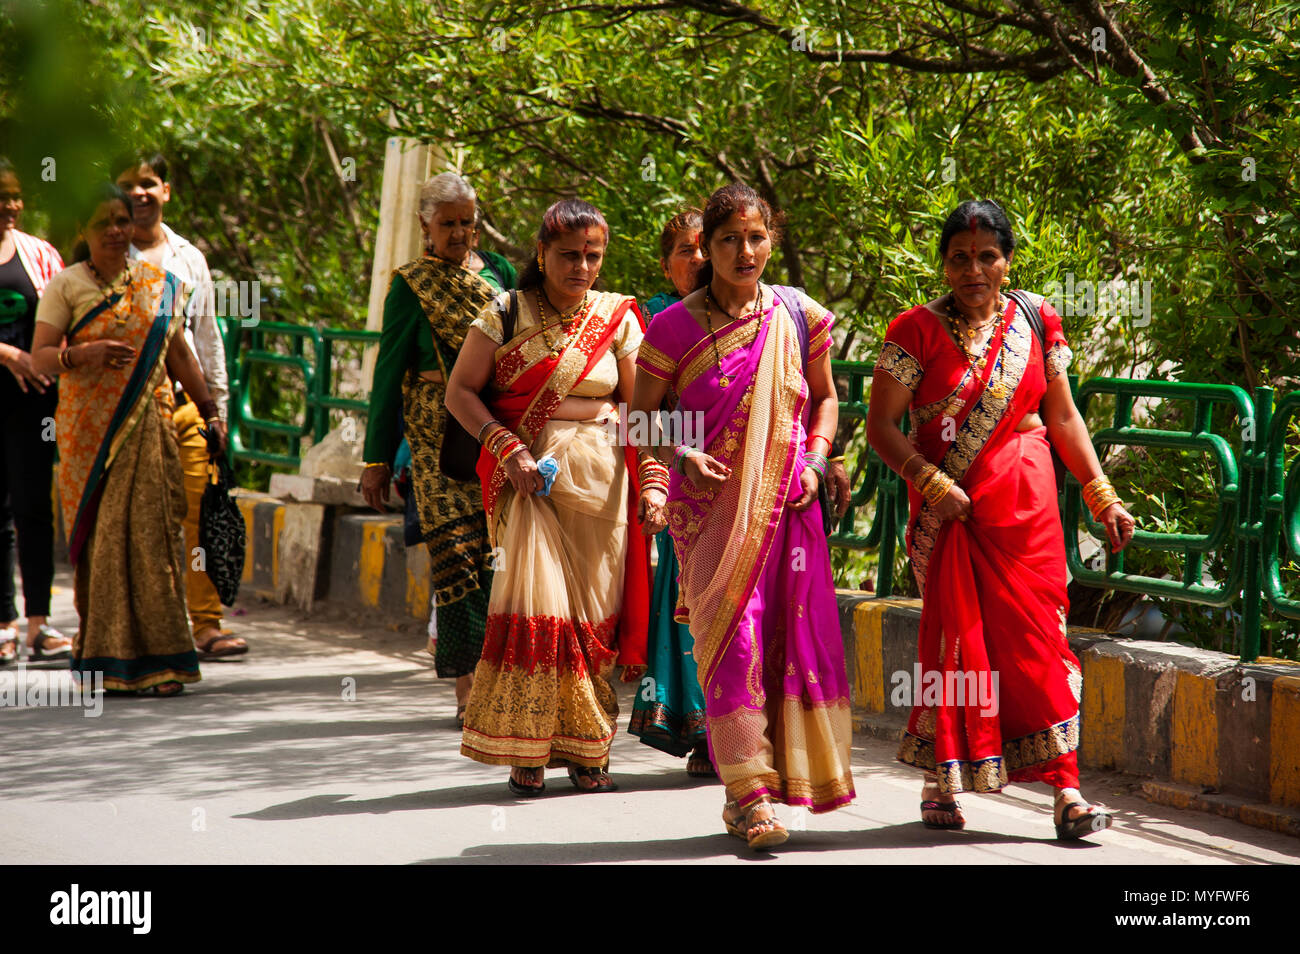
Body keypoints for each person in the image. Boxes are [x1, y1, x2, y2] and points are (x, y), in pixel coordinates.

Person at [866, 199, 1136, 839]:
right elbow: (881, 427)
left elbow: (1064, 416)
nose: (974, 269)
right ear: (943, 265)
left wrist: (1103, 497)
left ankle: (1067, 791)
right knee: (955, 638)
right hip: (951, 512)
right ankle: (941, 777)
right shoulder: (914, 330)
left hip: (1030, 507)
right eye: (960, 258)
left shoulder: (1037, 319)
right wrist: (930, 482)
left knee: (1041, 640)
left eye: (987, 256)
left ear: (1007, 261)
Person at [630, 183, 855, 849]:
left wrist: (817, 461)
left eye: (756, 238)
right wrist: (679, 457)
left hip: (790, 508)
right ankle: (750, 794)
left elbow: (826, 400)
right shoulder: (671, 327)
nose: (744, 251)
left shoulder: (799, 316)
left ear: (773, 240)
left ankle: (760, 785)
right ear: (708, 249)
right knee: (735, 645)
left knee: (787, 643)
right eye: (729, 239)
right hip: (708, 519)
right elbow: (641, 420)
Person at [445, 198, 651, 796]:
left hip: (604, 490)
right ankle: (527, 747)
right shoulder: (504, 313)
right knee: (542, 610)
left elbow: (644, 411)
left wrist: (659, 474)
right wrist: (506, 448)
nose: (581, 267)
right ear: (541, 254)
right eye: (567, 255)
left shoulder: (619, 319)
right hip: (530, 481)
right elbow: (461, 392)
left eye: (593, 256)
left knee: (591, 617)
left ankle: (590, 747)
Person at [31, 183, 228, 695]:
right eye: (104, 223)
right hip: (89, 437)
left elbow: (179, 353)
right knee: (103, 547)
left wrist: (211, 412)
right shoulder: (66, 286)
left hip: (152, 426)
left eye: (122, 220)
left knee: (154, 541)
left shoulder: (158, 283)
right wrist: (85, 354)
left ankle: (165, 663)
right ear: (83, 231)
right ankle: (107, 661)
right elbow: (40, 357)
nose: (117, 231)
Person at [360, 172, 516, 725]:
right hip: (434, 438)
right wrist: (376, 459)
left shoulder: (500, 275)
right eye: (447, 223)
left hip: (497, 430)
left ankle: (505, 680)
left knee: (502, 560)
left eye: (467, 222)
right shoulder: (411, 285)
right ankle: (467, 689)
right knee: (456, 556)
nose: (458, 233)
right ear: (425, 224)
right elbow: (387, 372)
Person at [114, 153, 244, 660]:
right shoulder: (106, 253)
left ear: (165, 190)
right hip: (127, 408)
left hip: (189, 404)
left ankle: (206, 624)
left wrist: (220, 411)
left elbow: (206, 338)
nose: (139, 193)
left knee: (197, 511)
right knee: (139, 518)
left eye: (148, 183)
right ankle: (142, 627)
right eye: (128, 185)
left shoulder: (188, 257)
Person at [626, 209, 716, 774]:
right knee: (691, 607)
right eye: (686, 249)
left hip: (744, 479)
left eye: (708, 246)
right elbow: (644, 416)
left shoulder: (757, 313)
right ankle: (700, 728)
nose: (700, 259)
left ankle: (738, 734)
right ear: (666, 265)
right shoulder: (656, 319)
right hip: (683, 482)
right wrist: (665, 477)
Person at [0, 157, 70, 664]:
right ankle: (3, 621)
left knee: (34, 510)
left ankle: (39, 624)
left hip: (34, 406)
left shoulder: (41, 254)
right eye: (1, 195)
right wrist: (6, 354)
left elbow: (68, 311)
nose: (11, 206)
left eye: (17, 195)